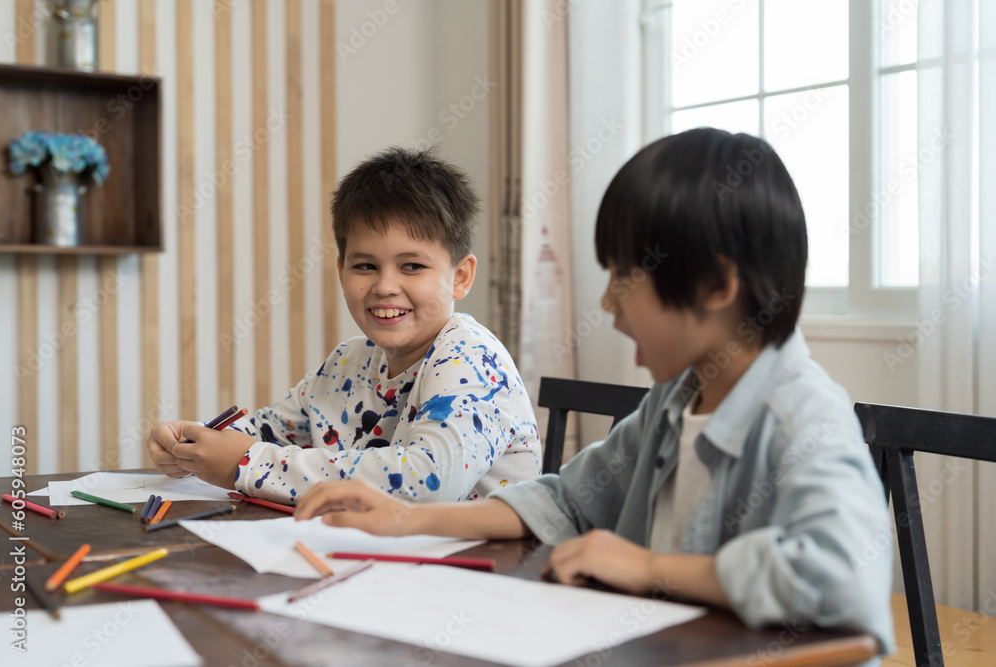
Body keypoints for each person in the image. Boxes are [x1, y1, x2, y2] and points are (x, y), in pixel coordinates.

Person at [293, 129, 895, 660]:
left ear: (715, 285)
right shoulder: (676, 400)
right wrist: (408, 518)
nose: (607, 303)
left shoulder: (804, 416)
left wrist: (652, 568)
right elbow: (568, 501)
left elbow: (842, 574)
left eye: (625, 277)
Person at [145, 147, 541, 503]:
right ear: (341, 270)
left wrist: (247, 464)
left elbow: (426, 483)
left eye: (412, 266)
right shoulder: (348, 362)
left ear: (460, 276)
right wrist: (195, 440)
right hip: (375, 560)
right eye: (365, 266)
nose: (385, 286)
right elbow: (272, 432)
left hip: (475, 571)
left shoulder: (473, 360)